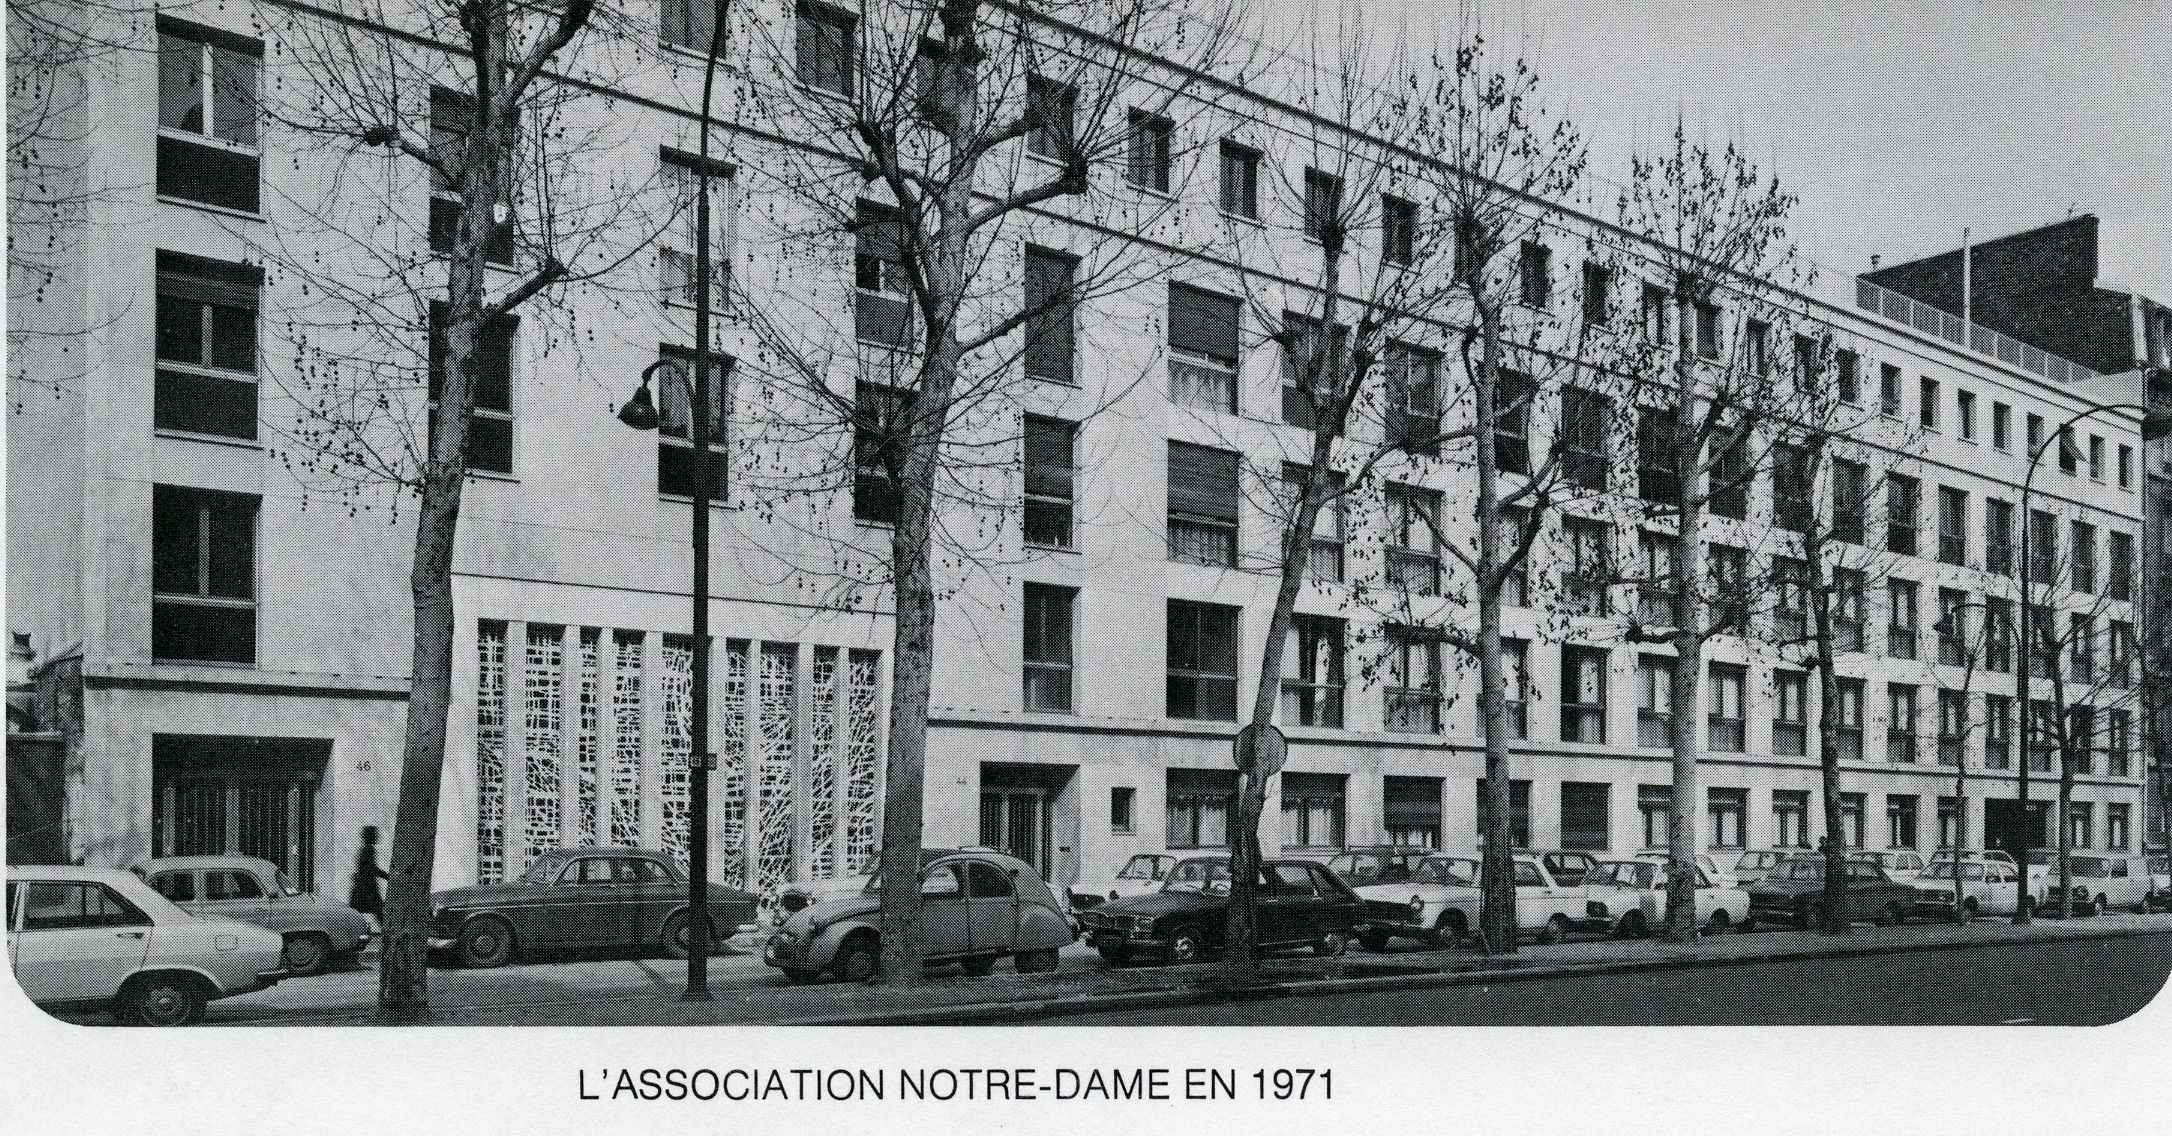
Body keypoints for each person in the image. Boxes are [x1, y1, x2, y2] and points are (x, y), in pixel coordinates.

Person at [349, 825, 389, 930]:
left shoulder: (364, 850)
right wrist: (387, 876)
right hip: (367, 889)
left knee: (355, 914)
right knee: (381, 913)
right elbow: (371, 868)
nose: (377, 837)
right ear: (371, 837)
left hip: (363, 887)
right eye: (375, 835)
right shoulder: (369, 850)